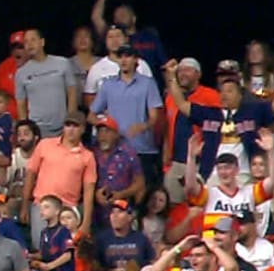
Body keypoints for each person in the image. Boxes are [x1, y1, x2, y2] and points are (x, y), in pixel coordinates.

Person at [89, 42, 162, 189]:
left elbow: (155, 117)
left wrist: (142, 126)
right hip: (115, 150)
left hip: (141, 148)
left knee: (143, 192)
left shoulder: (148, 84)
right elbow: (91, 116)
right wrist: (106, 130)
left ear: (136, 60)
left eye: (127, 56)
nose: (123, 60)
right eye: (120, 56)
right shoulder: (108, 85)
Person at [22, 110, 97, 244]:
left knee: (65, 248)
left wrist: (86, 222)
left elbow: (88, 190)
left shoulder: (88, 156)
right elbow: (30, 173)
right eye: (68, 125)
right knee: (40, 246)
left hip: (67, 209)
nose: (71, 129)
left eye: (75, 126)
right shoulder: (45, 144)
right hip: (41, 204)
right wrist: (24, 205)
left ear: (83, 129)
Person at [162, 57, 220, 201]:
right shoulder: (170, 97)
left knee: (199, 204)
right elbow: (168, 125)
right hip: (176, 161)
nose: (183, 74)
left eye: (187, 70)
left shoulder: (211, 95)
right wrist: (165, 152)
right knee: (173, 205)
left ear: (198, 74)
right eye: (180, 70)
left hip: (200, 162)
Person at [14, 28, 77, 139]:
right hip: (37, 131)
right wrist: (25, 132)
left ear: (42, 42)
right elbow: (21, 105)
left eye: (33, 40)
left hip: (62, 128)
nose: (29, 44)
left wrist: (70, 122)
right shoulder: (21, 73)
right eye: (26, 42)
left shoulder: (62, 63)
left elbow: (72, 93)